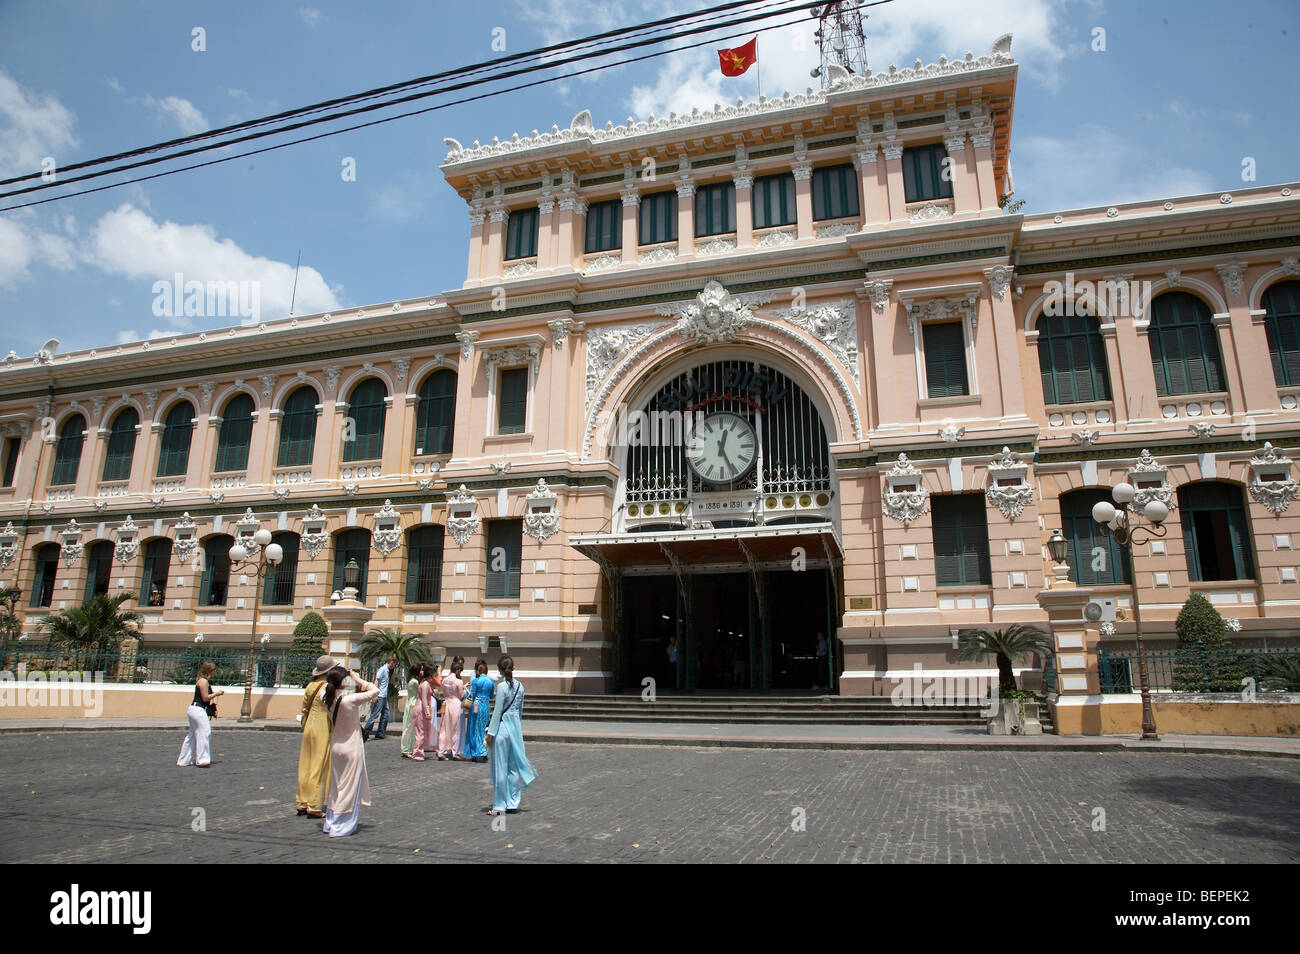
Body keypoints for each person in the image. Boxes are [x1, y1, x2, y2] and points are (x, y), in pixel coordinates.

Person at [322, 667, 379, 837]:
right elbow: (375, 690)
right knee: (349, 787)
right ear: (343, 681)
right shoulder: (349, 700)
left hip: (336, 745)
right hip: (351, 746)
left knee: (336, 786)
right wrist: (357, 678)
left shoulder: (327, 700)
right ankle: (341, 824)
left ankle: (330, 820)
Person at [486, 655, 537, 815]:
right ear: (513, 668)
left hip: (501, 728)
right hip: (515, 728)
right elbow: (519, 711)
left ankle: (500, 804)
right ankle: (513, 802)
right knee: (513, 767)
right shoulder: (521, 686)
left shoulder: (501, 687)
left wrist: (490, 732)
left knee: (500, 767)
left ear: (500, 670)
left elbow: (498, 712)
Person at [296, 655, 336, 816]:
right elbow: (332, 709)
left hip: (308, 726)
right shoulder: (327, 687)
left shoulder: (310, 686)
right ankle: (314, 804)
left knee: (305, 763)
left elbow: (304, 708)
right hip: (322, 727)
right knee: (319, 765)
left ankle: (302, 801)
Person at [177, 661, 224, 768]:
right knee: (205, 731)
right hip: (198, 709)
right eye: (213, 670)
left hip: (195, 709)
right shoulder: (203, 681)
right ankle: (202, 759)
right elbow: (205, 697)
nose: (214, 672)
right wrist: (217, 693)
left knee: (192, 735)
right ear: (209, 671)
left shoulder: (201, 681)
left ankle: (183, 760)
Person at [463, 659, 494, 762]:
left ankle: (477, 752)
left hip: (476, 705)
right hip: (485, 705)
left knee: (474, 729)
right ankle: (484, 751)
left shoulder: (475, 681)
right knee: (484, 728)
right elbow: (491, 695)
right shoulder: (490, 682)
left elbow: (472, 694)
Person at [362, 655, 396, 741]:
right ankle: (365, 732)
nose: (394, 666)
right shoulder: (382, 669)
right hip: (380, 696)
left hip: (384, 696)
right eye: (394, 664)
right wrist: (374, 695)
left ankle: (380, 733)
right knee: (375, 714)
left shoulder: (388, 671)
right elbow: (376, 681)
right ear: (391, 662)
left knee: (386, 714)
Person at [438, 662, 465, 760]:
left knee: (445, 728)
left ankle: (442, 750)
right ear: (458, 670)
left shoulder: (445, 680)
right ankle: (455, 750)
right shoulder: (458, 681)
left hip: (447, 703)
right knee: (456, 728)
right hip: (455, 704)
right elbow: (461, 695)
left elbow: (444, 693)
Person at [400, 663, 424, 759]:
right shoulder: (415, 681)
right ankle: (408, 749)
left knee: (408, 727)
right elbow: (421, 690)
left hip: (409, 703)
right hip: (413, 704)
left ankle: (407, 748)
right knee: (411, 728)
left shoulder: (411, 680)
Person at [411, 664, 432, 762]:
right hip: (421, 709)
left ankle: (418, 751)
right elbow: (424, 699)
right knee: (420, 731)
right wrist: (427, 712)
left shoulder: (422, 683)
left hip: (418, 707)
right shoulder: (425, 684)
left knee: (420, 731)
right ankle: (417, 752)